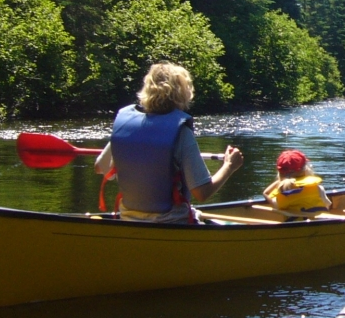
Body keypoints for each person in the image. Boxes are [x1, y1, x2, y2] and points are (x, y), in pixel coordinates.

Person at [95, 62, 243, 223]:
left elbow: (100, 167)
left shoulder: (126, 127)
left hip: (128, 221)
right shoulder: (180, 132)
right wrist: (229, 166)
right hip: (172, 223)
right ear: (182, 93)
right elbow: (202, 192)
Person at [263, 149, 332, 217]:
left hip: (295, 226)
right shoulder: (318, 188)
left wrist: (266, 193)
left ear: (280, 173)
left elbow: (269, 196)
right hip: (322, 224)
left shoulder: (282, 194)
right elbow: (327, 205)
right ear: (305, 169)